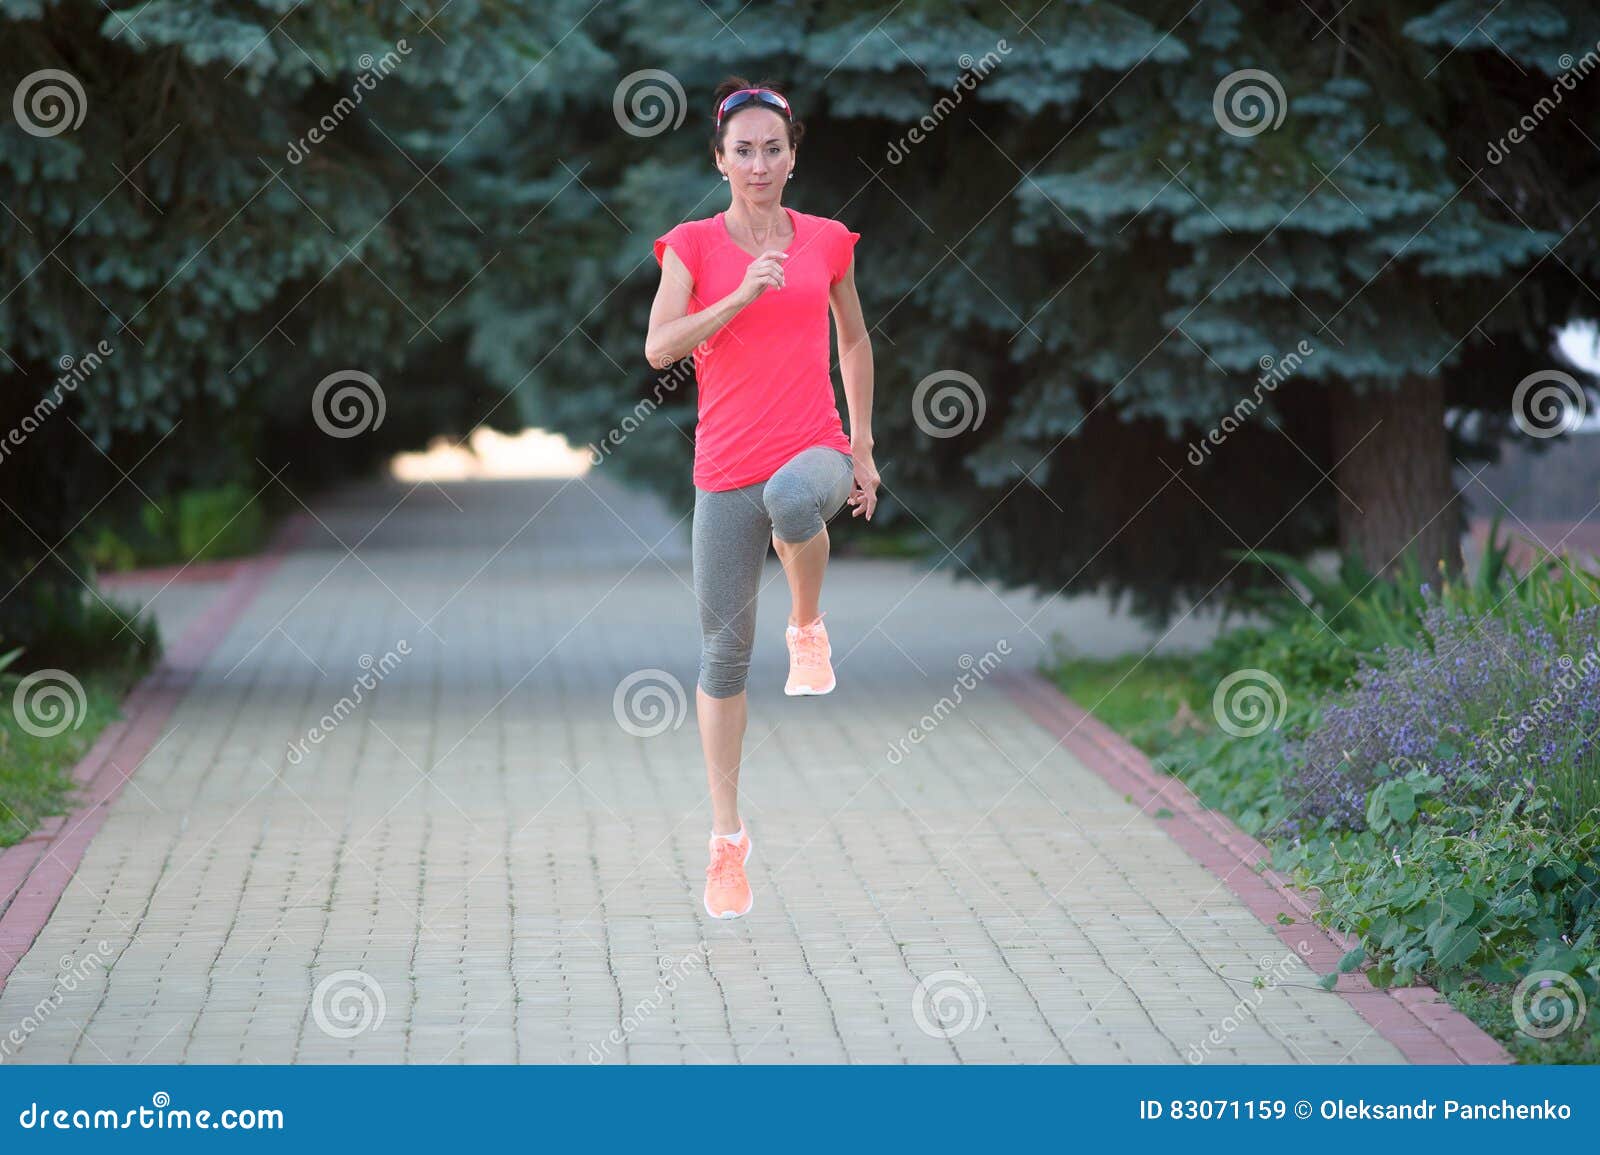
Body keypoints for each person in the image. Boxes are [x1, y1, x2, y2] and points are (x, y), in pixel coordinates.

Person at [644, 76, 880, 920]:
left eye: (772, 148)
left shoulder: (825, 241)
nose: (758, 162)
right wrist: (740, 294)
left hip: (811, 450)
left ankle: (808, 623)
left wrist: (861, 445)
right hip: (721, 474)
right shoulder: (694, 247)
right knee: (721, 660)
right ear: (720, 160)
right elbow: (659, 346)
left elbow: (853, 339)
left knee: (793, 499)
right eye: (742, 150)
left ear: (792, 155)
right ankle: (726, 840)